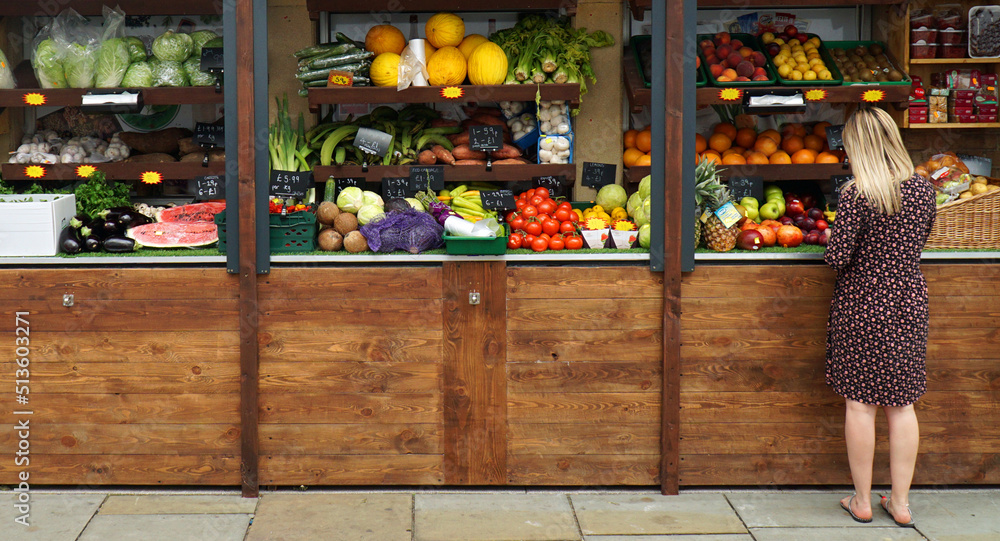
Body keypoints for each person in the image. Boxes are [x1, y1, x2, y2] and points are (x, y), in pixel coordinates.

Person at [823, 106, 936, 528]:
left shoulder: (856, 193)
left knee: (860, 404)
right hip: (907, 298)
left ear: (859, 146)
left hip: (862, 301)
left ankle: (864, 501)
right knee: (902, 404)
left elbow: (837, 257)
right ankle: (902, 505)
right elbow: (921, 241)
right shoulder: (924, 190)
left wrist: (835, 235)